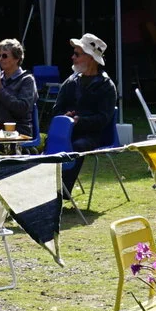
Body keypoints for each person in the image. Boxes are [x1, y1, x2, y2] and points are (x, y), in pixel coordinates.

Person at [55, 34, 119, 194]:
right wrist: (65, 116)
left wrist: (79, 121)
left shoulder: (106, 86)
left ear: (91, 58)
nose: (72, 57)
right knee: (47, 145)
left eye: (77, 54)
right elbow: (56, 109)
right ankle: (44, 191)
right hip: (66, 133)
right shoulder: (70, 81)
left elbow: (103, 119)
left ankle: (61, 194)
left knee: (75, 147)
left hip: (93, 136)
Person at [0, 38, 38, 130]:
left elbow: (22, 109)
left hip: (16, 132)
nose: (0, 59)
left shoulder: (27, 80)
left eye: (4, 56)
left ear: (17, 58)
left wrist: (0, 90)